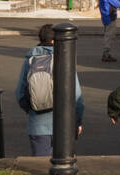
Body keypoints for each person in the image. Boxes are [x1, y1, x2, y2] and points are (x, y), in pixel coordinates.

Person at [15, 24, 84, 157]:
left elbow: (20, 94)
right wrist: (77, 121)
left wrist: (32, 109)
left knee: (41, 168)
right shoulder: (64, 60)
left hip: (38, 126)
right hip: (65, 125)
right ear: (54, 41)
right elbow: (77, 97)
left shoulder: (30, 61)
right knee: (64, 167)